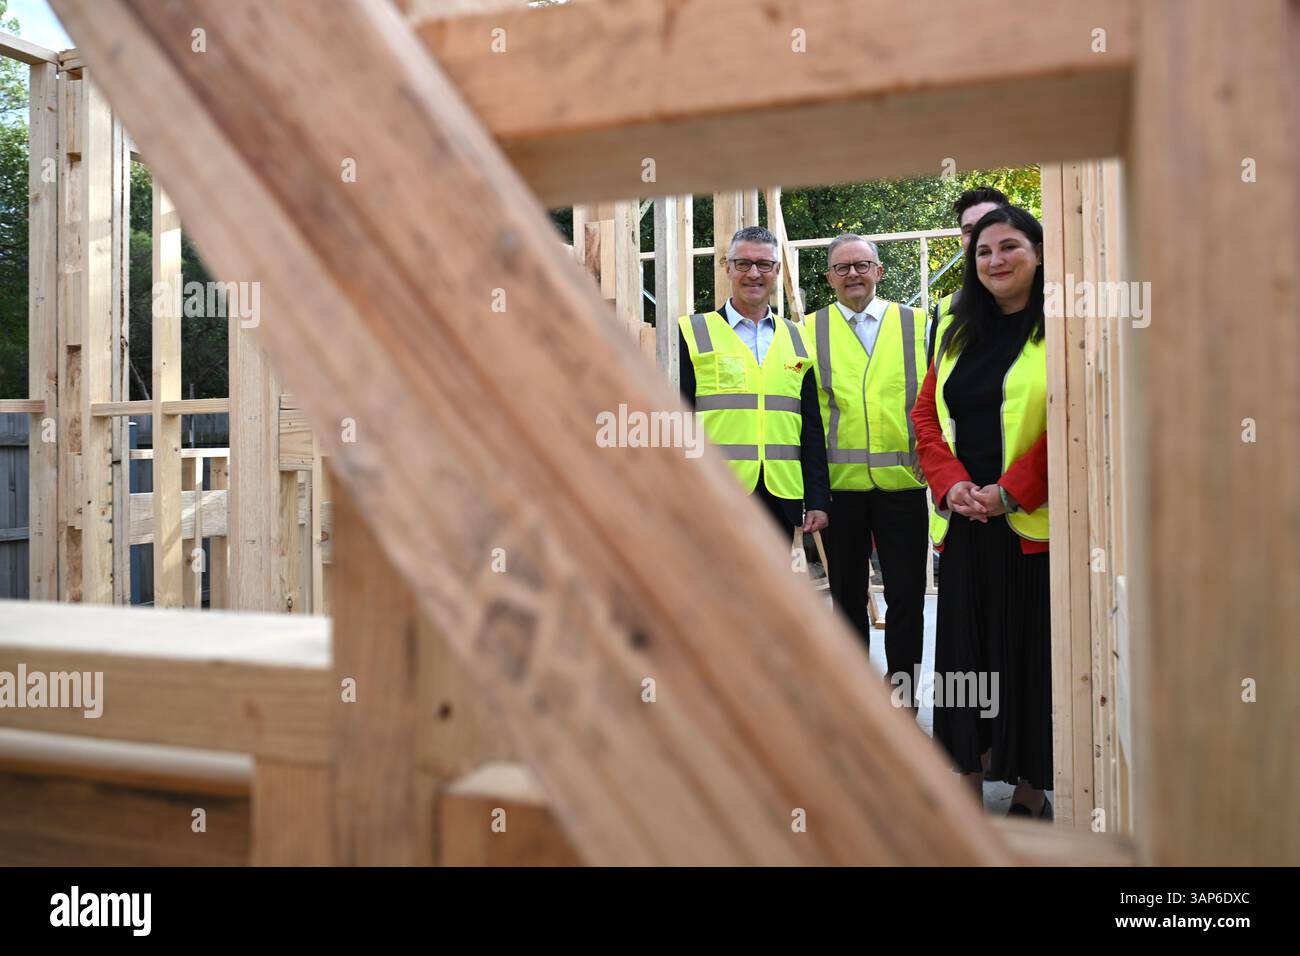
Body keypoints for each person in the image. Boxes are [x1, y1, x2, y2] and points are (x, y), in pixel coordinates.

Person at [911, 204, 1052, 818]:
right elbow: (924, 419)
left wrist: (1013, 489)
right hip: (966, 522)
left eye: (1010, 247)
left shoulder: (1064, 329)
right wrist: (952, 485)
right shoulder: (957, 332)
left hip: (1031, 526)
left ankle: (1028, 792)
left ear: (1040, 254)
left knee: (1029, 658)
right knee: (963, 662)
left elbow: (1075, 421)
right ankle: (964, 785)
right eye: (984, 251)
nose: (994, 260)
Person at [802, 234, 928, 698]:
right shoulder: (808, 331)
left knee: (908, 597)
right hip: (841, 489)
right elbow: (807, 420)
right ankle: (855, 699)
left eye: (861, 264)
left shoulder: (918, 325)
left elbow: (936, 404)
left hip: (905, 485)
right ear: (830, 277)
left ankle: (903, 697)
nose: (852, 273)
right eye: (842, 267)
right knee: (847, 598)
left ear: (879, 270)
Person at [678, 225, 829, 537]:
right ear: (728, 268)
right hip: (713, 493)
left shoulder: (797, 338)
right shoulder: (693, 332)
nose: (754, 274)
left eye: (764, 265)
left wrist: (817, 499)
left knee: (771, 586)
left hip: (781, 495)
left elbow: (811, 427)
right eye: (743, 264)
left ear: (776, 270)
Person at [927, 187, 1010, 367]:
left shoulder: (1048, 301)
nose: (980, 236)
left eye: (989, 224)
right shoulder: (945, 309)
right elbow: (933, 386)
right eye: (969, 230)